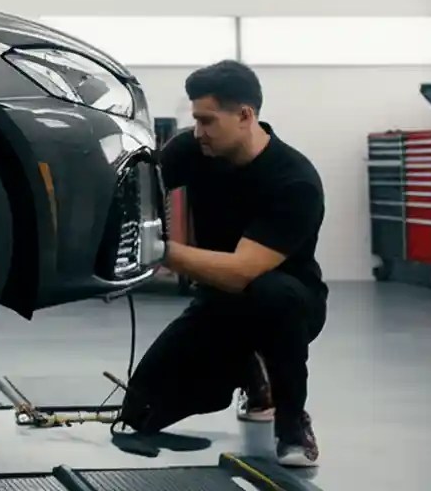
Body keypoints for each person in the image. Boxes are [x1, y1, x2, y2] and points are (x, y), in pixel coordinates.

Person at [117, 59, 327, 467]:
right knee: (140, 413)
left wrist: (155, 249)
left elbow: (241, 271)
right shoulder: (192, 149)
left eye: (207, 120)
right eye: (195, 119)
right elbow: (137, 188)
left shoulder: (294, 181)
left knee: (271, 292)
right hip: (218, 302)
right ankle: (251, 374)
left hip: (287, 306)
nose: (198, 131)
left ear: (245, 116)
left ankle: (291, 421)